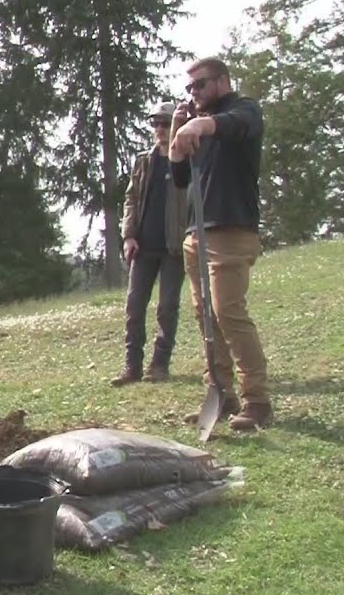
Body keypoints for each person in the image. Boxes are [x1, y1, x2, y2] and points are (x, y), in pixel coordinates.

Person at [170, 56, 272, 431]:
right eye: (189, 87)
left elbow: (236, 126)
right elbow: (180, 176)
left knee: (228, 312)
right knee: (206, 317)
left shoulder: (243, 110)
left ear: (223, 81)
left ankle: (257, 400)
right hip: (196, 233)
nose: (194, 93)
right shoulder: (198, 126)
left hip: (231, 228)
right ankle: (220, 392)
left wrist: (200, 123)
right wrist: (178, 133)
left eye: (200, 84)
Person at [111, 102, 189, 387]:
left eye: (165, 123)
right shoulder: (144, 160)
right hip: (143, 245)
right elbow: (131, 199)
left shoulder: (188, 159)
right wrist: (128, 235)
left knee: (167, 306)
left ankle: (159, 364)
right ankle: (132, 366)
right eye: (155, 123)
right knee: (134, 306)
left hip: (174, 246)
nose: (159, 130)